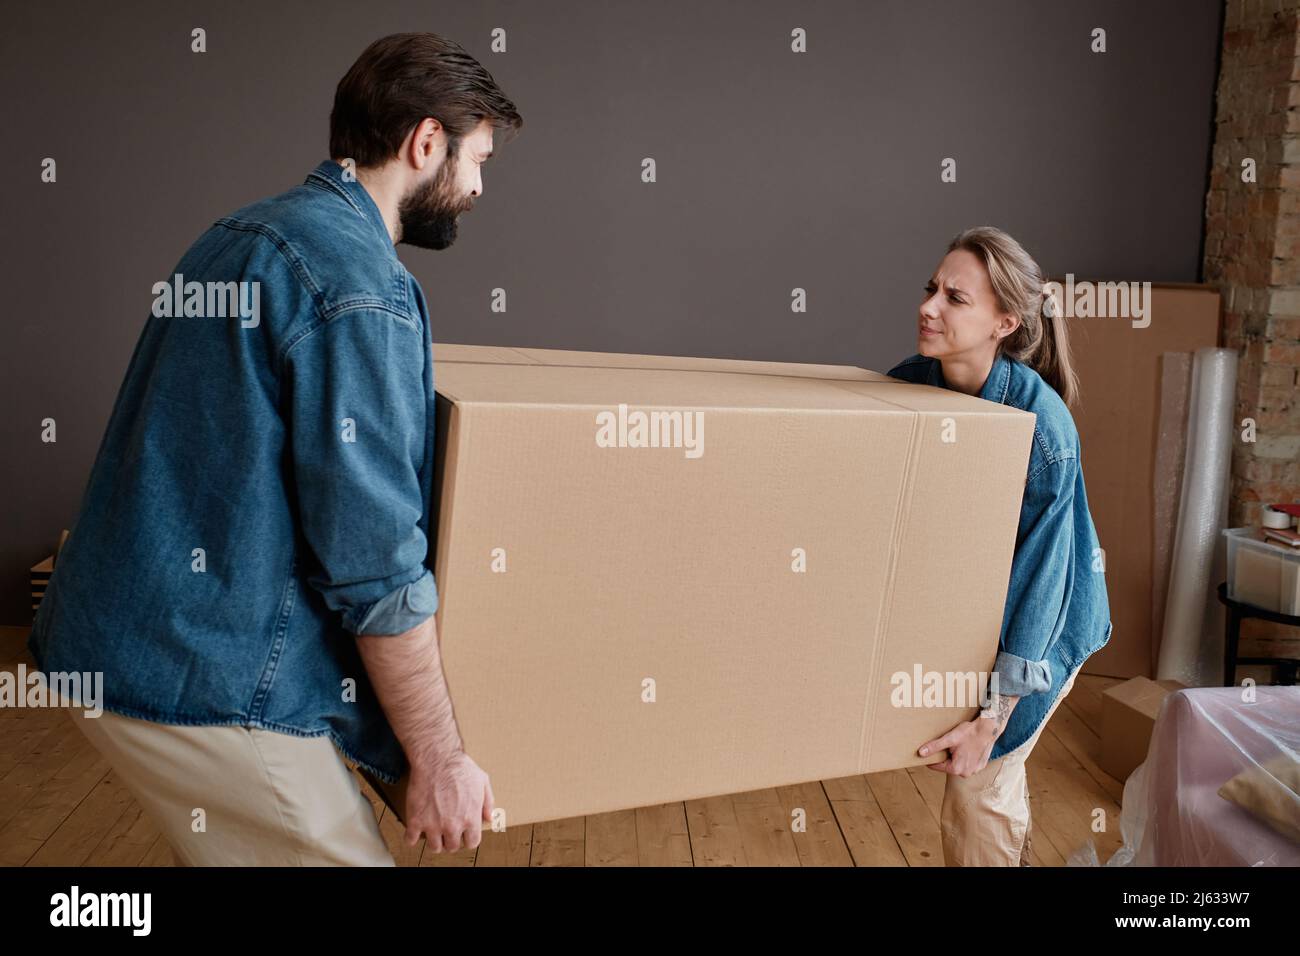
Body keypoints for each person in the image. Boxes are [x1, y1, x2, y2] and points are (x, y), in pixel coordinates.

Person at [28, 32, 522, 865]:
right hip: (203, 668)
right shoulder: (359, 289)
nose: (476, 186)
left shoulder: (247, 231)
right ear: (425, 142)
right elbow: (373, 562)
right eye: (478, 160)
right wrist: (438, 757)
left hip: (113, 636)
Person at [886, 226, 1113, 867]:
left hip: (1044, 628)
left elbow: (1043, 583)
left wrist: (995, 712)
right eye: (932, 289)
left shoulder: (1042, 433)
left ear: (1004, 322)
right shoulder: (910, 388)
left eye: (956, 299)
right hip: (976, 617)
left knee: (978, 781)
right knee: (990, 782)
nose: (929, 306)